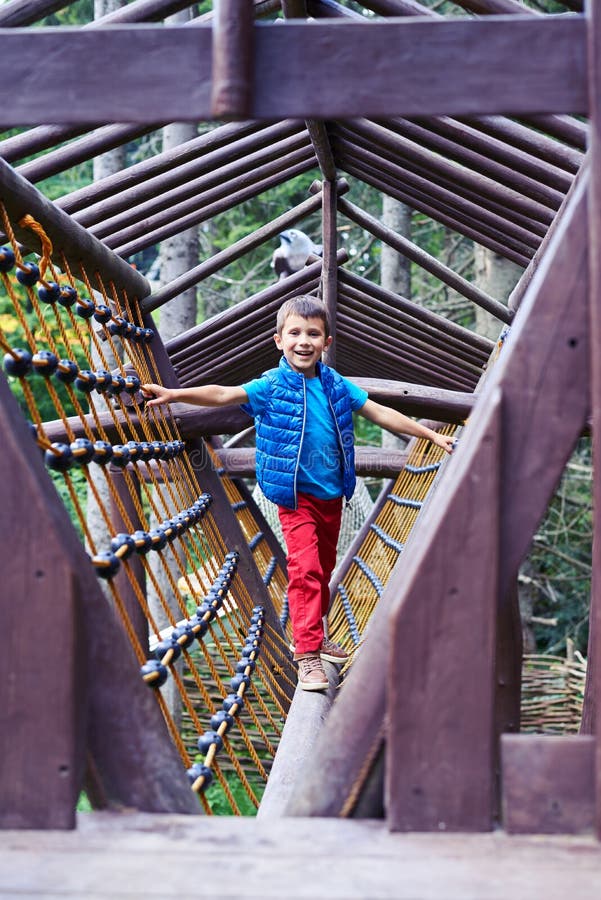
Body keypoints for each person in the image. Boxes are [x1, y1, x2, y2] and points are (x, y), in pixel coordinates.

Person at [141, 295, 454, 692]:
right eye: (295, 333)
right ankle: (306, 653)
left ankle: (317, 637)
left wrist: (428, 433)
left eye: (313, 334)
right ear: (278, 340)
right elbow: (223, 394)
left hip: (331, 496)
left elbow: (379, 412)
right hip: (293, 497)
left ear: (327, 342)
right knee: (304, 570)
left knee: (320, 573)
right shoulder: (271, 386)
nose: (303, 341)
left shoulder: (335, 385)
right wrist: (175, 395)